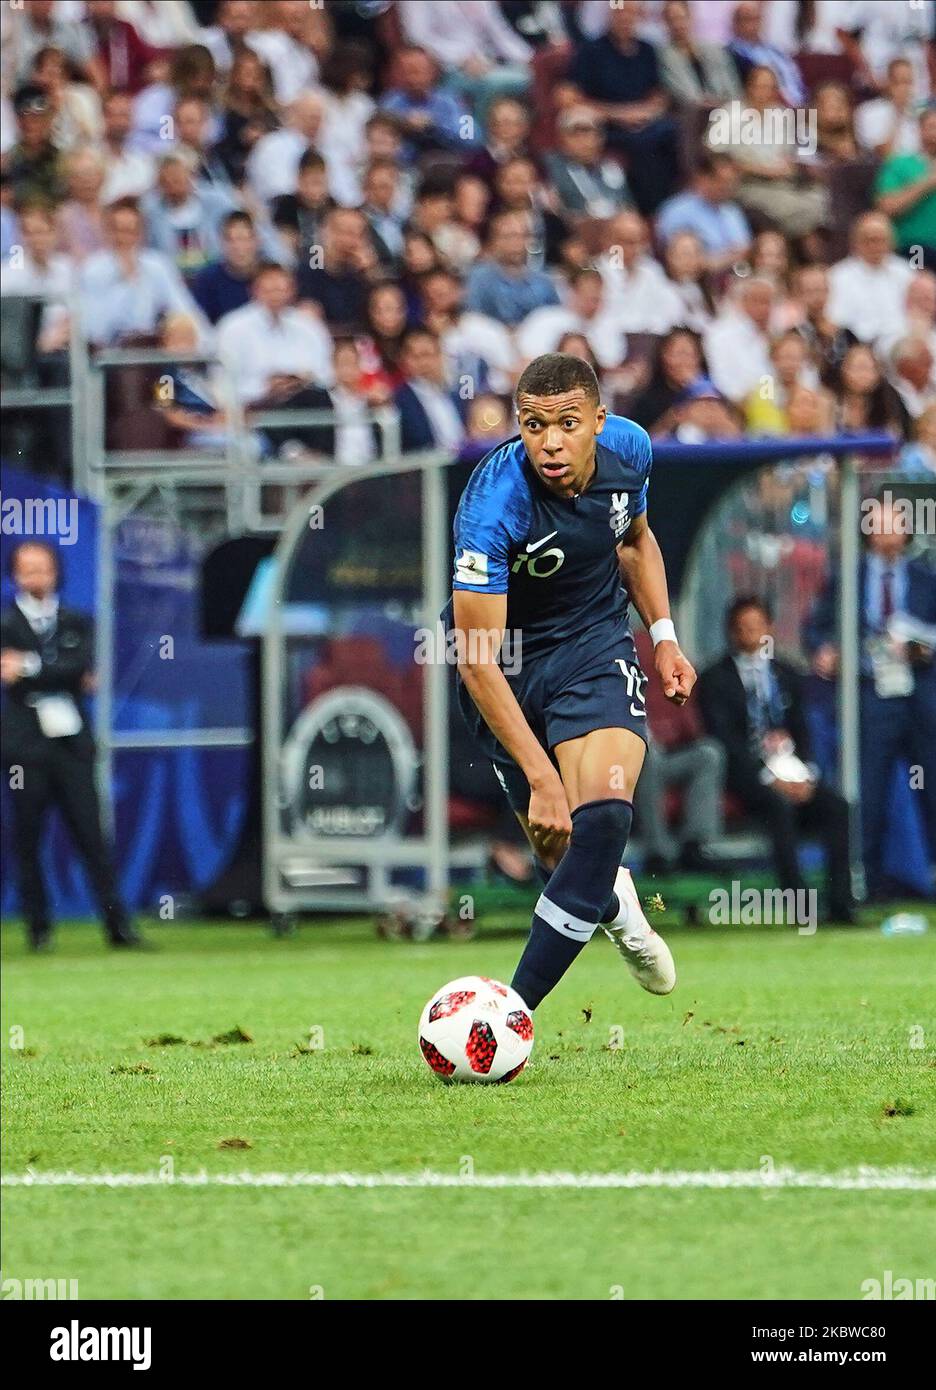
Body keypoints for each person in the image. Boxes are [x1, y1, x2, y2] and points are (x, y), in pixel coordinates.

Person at [444, 351, 695, 1014]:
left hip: (594, 643)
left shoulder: (631, 451)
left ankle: (508, 1014)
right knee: (566, 853)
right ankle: (618, 905)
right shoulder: (492, 504)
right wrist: (541, 775)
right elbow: (476, 660)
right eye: (532, 425)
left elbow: (635, 541)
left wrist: (664, 637)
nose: (550, 442)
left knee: (604, 815)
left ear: (598, 422)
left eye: (567, 423)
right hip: (509, 666)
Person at [0, 541, 141, 950]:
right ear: (15, 576)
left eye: (42, 568)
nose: (35, 577)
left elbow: (81, 669)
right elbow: (63, 673)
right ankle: (39, 931)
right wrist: (58, 672)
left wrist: (28, 666)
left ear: (56, 572)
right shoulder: (6, 623)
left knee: (92, 837)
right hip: (25, 748)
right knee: (28, 839)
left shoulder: (77, 621)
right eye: (26, 570)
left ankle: (118, 928)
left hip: (71, 744)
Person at [805, 497, 936, 901]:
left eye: (893, 523)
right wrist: (824, 650)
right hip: (870, 694)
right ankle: (867, 879)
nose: (885, 531)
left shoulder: (925, 577)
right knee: (870, 789)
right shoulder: (849, 576)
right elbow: (817, 627)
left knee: (929, 783)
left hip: (919, 696)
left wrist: (923, 649)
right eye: (877, 524)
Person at [697, 595, 855, 923]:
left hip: (793, 771)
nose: (748, 635)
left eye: (755, 626)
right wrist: (770, 778)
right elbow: (725, 741)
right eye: (741, 628)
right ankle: (800, 907)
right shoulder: (715, 679)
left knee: (837, 806)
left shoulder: (788, 674)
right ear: (730, 631)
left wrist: (807, 775)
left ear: (769, 628)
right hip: (747, 778)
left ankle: (842, 905)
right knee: (778, 807)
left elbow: (803, 730)